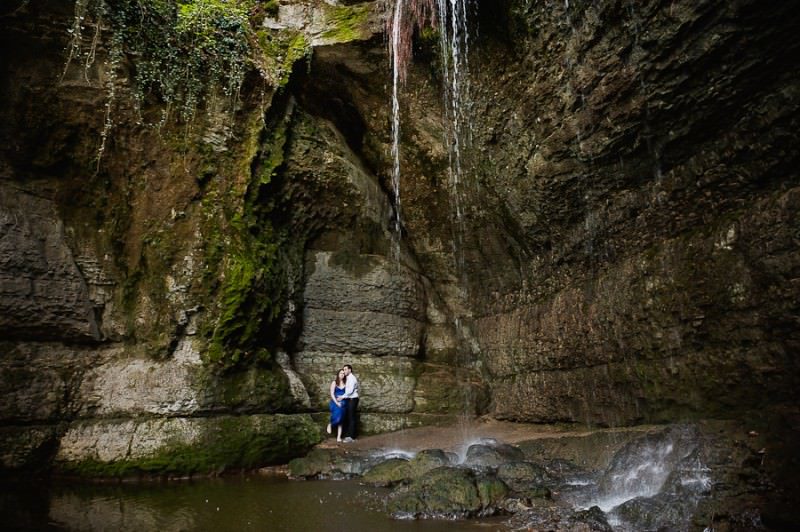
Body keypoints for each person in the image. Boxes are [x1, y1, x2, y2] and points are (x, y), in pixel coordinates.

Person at [340, 364, 359, 442]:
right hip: (350, 399)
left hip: (353, 399)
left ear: (349, 370)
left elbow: (350, 391)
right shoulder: (348, 378)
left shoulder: (351, 378)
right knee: (349, 417)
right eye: (343, 369)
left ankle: (351, 437)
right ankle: (350, 435)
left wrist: (342, 396)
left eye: (345, 369)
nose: (344, 371)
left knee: (351, 418)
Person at [327, 369, 347, 442]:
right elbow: (332, 394)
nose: (342, 374)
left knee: (341, 420)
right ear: (338, 374)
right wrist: (337, 402)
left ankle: (339, 437)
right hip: (335, 402)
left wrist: (342, 398)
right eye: (341, 373)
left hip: (343, 402)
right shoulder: (334, 382)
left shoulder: (346, 383)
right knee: (338, 417)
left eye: (343, 373)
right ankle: (330, 424)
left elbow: (347, 393)